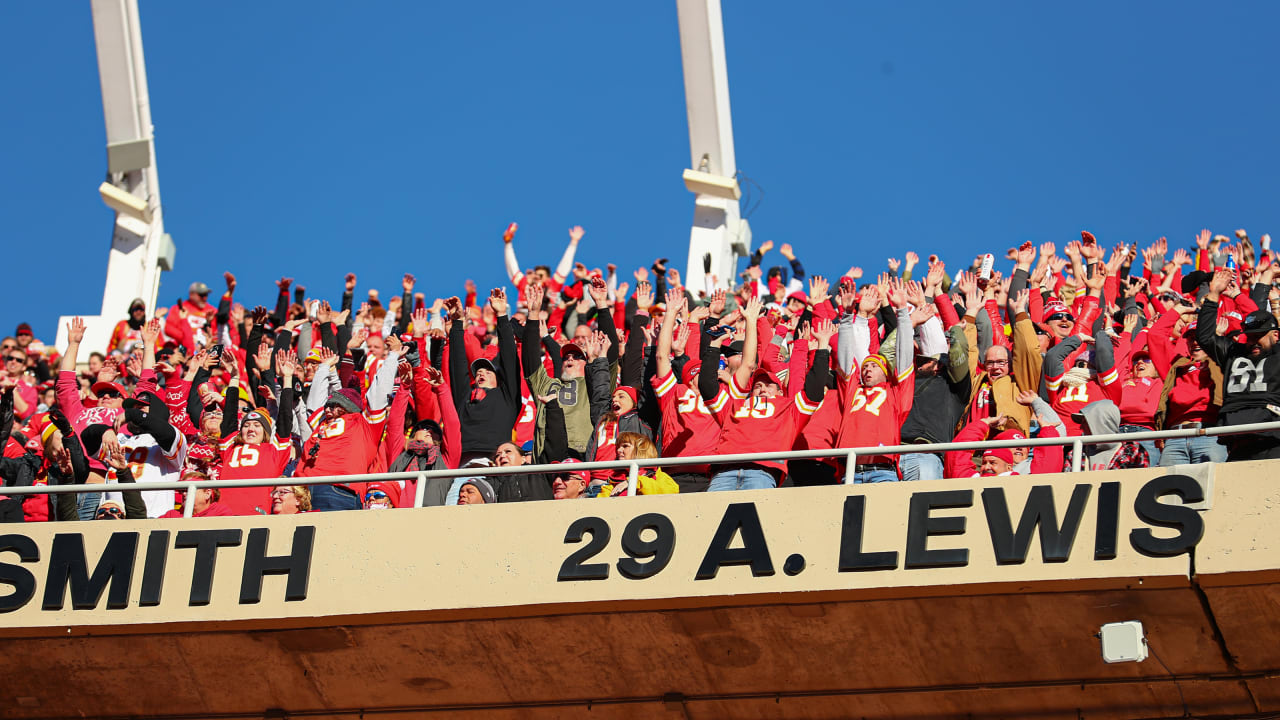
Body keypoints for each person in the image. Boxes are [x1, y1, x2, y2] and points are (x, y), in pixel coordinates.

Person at [700, 298, 832, 491]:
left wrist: (822, 347)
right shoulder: (735, 405)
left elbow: (813, 391)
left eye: (769, 386)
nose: (762, 389)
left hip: (762, 472)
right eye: (758, 385)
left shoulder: (790, 410)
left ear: (780, 392)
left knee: (754, 520)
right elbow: (707, 386)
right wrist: (714, 346)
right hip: (724, 472)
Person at [1198, 268, 1280, 460]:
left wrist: (1238, 295)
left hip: (1272, 437)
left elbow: (1256, 312)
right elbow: (1205, 338)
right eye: (1249, 337)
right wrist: (1213, 295)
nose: (1253, 342)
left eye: (1259, 336)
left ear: (1276, 335)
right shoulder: (1234, 352)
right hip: (1236, 439)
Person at [592, 432, 678, 497]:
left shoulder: (656, 475)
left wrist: (635, 481)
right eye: (618, 447)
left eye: (625, 446)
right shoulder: (615, 479)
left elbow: (670, 492)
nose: (618, 450)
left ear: (641, 449)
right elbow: (602, 502)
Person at [159, 471, 235, 518]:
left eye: (189, 490)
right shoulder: (171, 515)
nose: (184, 494)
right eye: (182, 490)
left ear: (207, 493)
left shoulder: (221, 514)